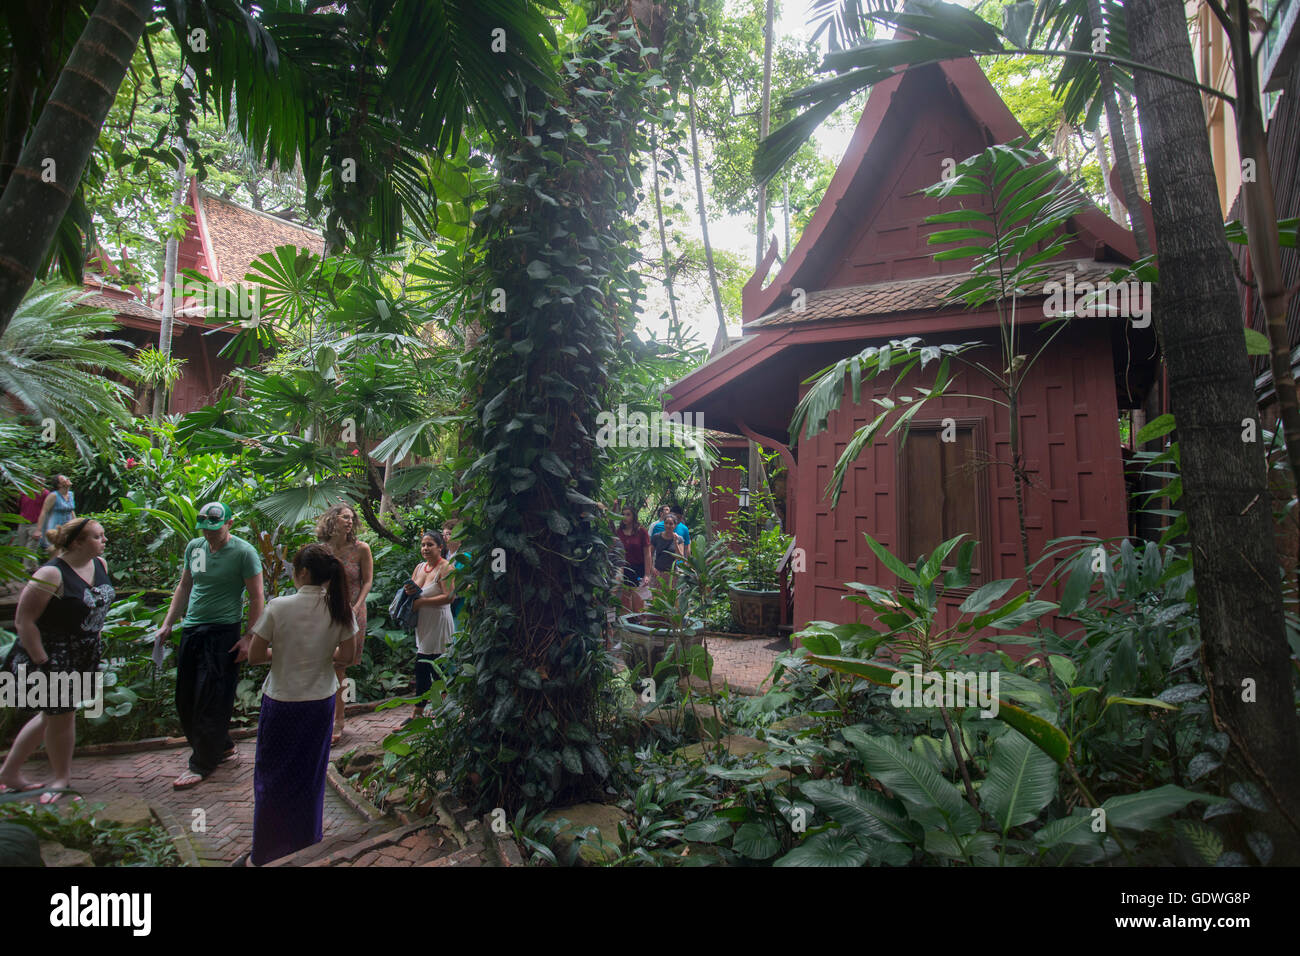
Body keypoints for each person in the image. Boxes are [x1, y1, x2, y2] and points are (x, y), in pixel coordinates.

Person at [239, 544, 356, 867]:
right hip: (320, 703)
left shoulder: (279, 606)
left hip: (282, 702)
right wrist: (320, 655)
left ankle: (263, 854)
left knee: (271, 778)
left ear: (303, 572)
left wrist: (285, 653)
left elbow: (254, 656)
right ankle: (306, 847)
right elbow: (348, 657)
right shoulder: (339, 608)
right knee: (310, 776)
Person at [0, 518, 113, 802]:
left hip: (83, 650)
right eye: (98, 537)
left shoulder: (100, 565)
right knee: (61, 718)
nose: (104, 540)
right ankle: (60, 778)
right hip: (51, 652)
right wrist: (43, 661)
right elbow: (24, 621)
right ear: (77, 542)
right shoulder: (51, 573)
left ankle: (9, 772)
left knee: (51, 717)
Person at [154, 501, 264, 790]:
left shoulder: (244, 552)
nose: (209, 534)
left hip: (223, 632)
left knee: (211, 697)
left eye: (215, 529)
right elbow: (185, 586)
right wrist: (168, 623)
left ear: (229, 523)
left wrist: (249, 637)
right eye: (205, 529)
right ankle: (223, 747)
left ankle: (201, 763)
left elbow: (256, 597)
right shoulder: (196, 547)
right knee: (186, 697)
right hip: (192, 629)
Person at [316, 504, 372, 745]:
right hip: (324, 611)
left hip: (352, 612)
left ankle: (338, 720)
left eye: (352, 518)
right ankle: (324, 717)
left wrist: (357, 606)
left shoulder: (361, 549)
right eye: (344, 517)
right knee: (322, 665)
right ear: (332, 520)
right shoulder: (321, 550)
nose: (349, 522)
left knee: (340, 667)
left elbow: (368, 581)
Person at [404, 531, 454, 721]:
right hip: (423, 623)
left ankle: (418, 713)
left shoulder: (446, 567)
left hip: (439, 621)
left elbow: (449, 597)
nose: (425, 548)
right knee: (428, 666)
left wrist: (422, 603)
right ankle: (445, 707)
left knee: (427, 666)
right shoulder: (419, 568)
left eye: (430, 545)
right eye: (423, 544)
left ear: (440, 547)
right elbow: (413, 591)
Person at [614, 505, 651, 613]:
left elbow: (647, 554)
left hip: (638, 569)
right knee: (624, 605)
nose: (625, 517)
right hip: (623, 570)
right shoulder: (618, 532)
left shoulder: (642, 532)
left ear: (634, 516)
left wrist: (647, 574)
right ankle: (627, 628)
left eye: (628, 514)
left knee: (639, 605)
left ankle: (639, 626)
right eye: (623, 514)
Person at [442, 520, 470, 633]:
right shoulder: (443, 556)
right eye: (443, 534)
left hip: (459, 606)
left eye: (448, 534)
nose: (445, 538)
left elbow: (468, 584)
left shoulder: (465, 556)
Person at [33, 475, 76, 550]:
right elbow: (44, 512)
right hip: (54, 528)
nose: (68, 479)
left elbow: (71, 510)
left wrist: (76, 524)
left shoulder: (70, 494)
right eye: (64, 479)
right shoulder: (53, 496)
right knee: (55, 551)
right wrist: (38, 530)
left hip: (67, 528)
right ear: (59, 484)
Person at [650, 520, 685, 585]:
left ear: (675, 525)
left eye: (671, 524)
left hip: (672, 573)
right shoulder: (656, 537)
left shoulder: (679, 539)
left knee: (671, 594)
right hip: (658, 572)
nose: (668, 526)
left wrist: (676, 543)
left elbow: (680, 558)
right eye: (666, 523)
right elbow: (650, 554)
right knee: (657, 594)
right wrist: (652, 568)